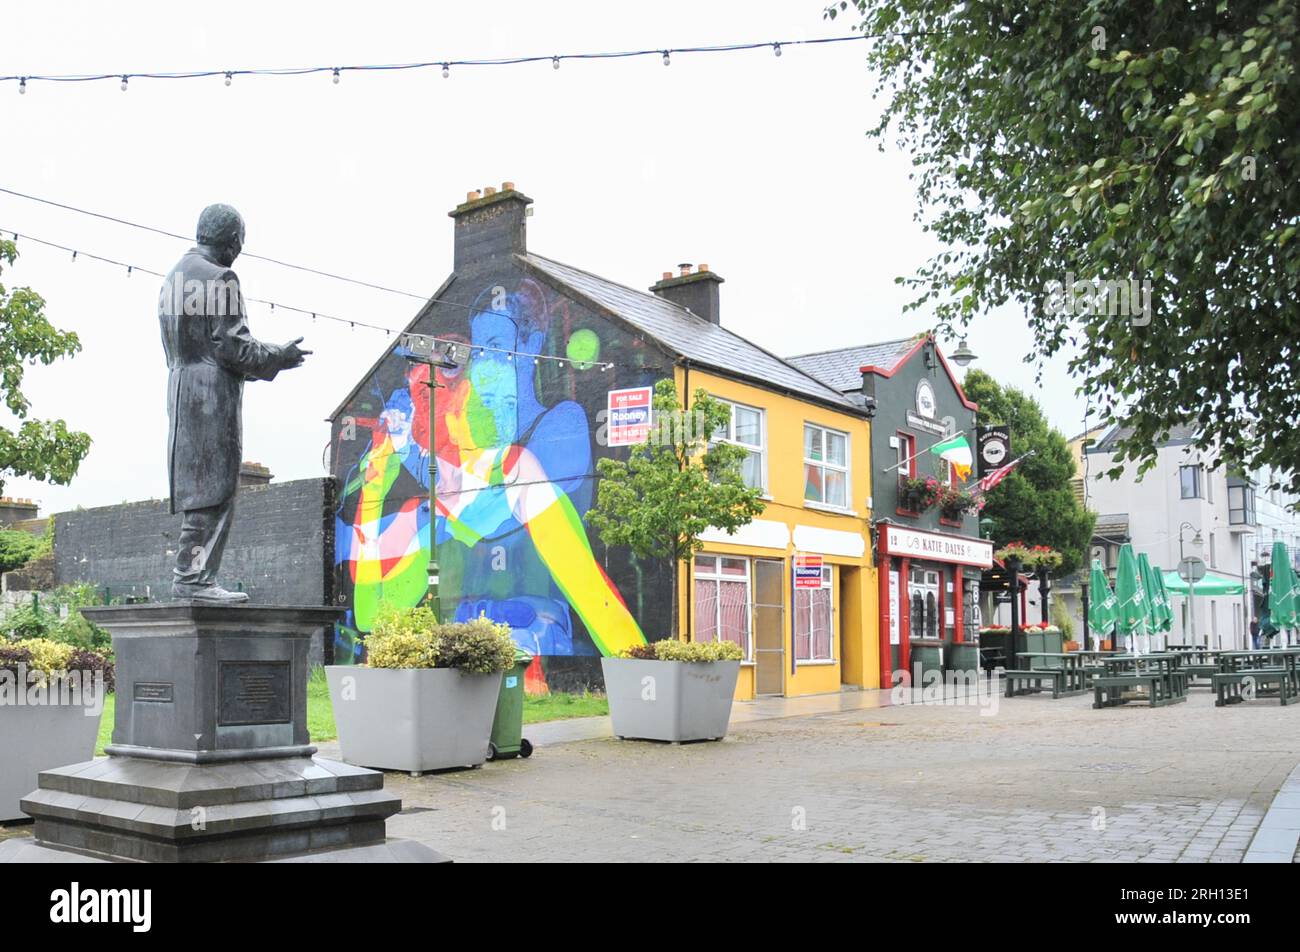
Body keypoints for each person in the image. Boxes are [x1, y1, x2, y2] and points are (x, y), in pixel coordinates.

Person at [159, 204, 310, 602]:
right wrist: (280, 356)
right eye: (239, 244)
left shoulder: (171, 279)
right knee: (215, 491)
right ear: (231, 242)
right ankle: (193, 579)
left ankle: (190, 576)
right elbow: (233, 347)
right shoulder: (221, 277)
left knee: (198, 491)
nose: (238, 252)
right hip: (212, 397)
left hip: (180, 391)